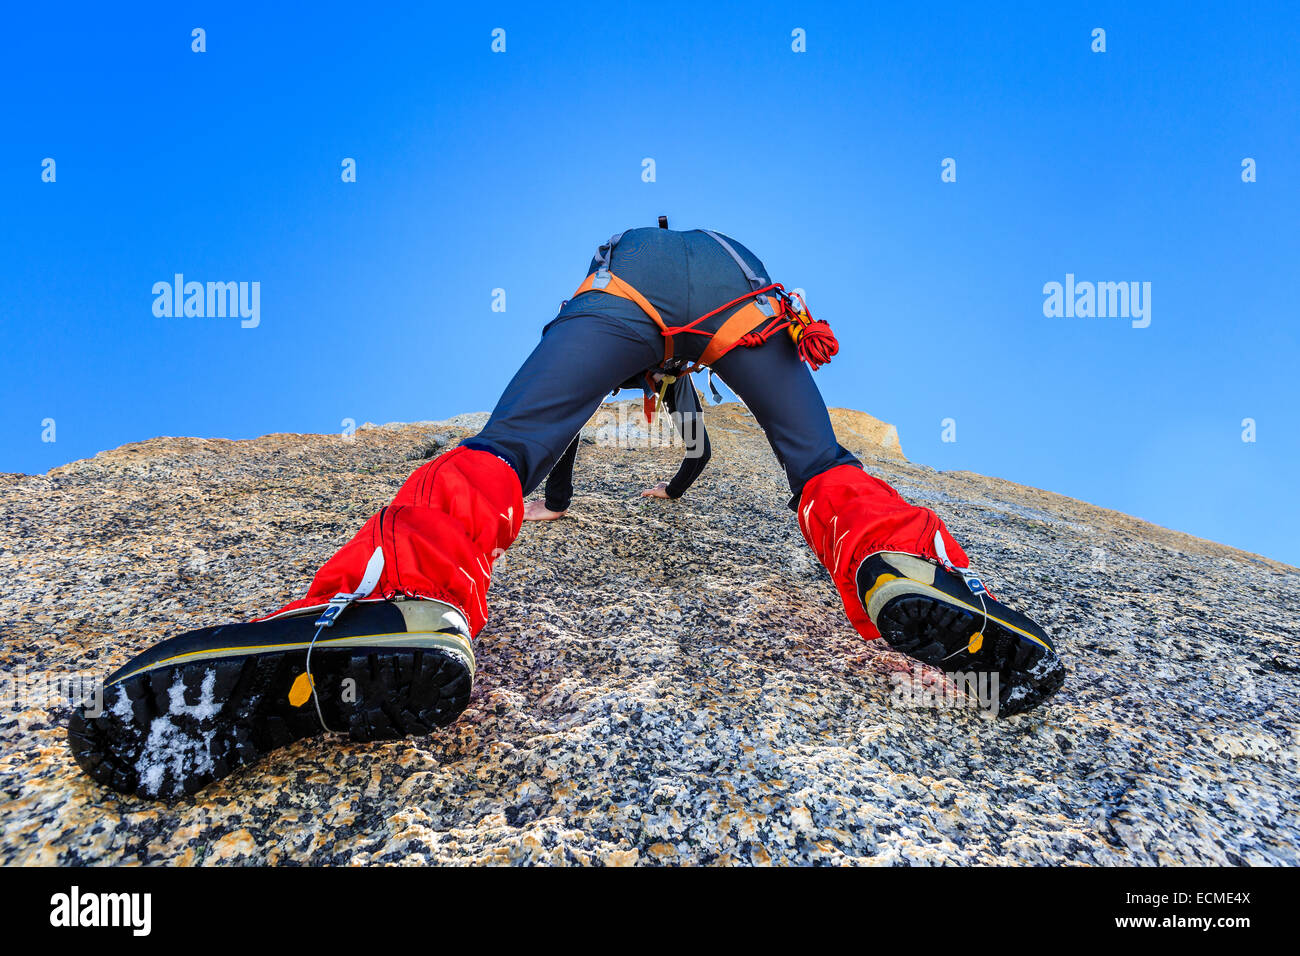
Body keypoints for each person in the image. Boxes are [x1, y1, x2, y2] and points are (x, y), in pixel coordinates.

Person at [69, 223, 1067, 800]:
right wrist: (670, 486)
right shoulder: (716, 272)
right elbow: (698, 440)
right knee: (818, 460)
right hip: (751, 302)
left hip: (619, 299)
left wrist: (553, 499)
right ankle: (905, 568)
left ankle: (407, 595)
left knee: (505, 438)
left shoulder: (622, 264)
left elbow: (559, 430)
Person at [524, 370, 711, 521]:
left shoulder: (596, 352)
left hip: (607, 359)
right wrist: (674, 489)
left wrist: (555, 502)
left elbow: (566, 414)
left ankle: (554, 501)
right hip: (661, 366)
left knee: (569, 391)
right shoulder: (676, 365)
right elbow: (701, 451)